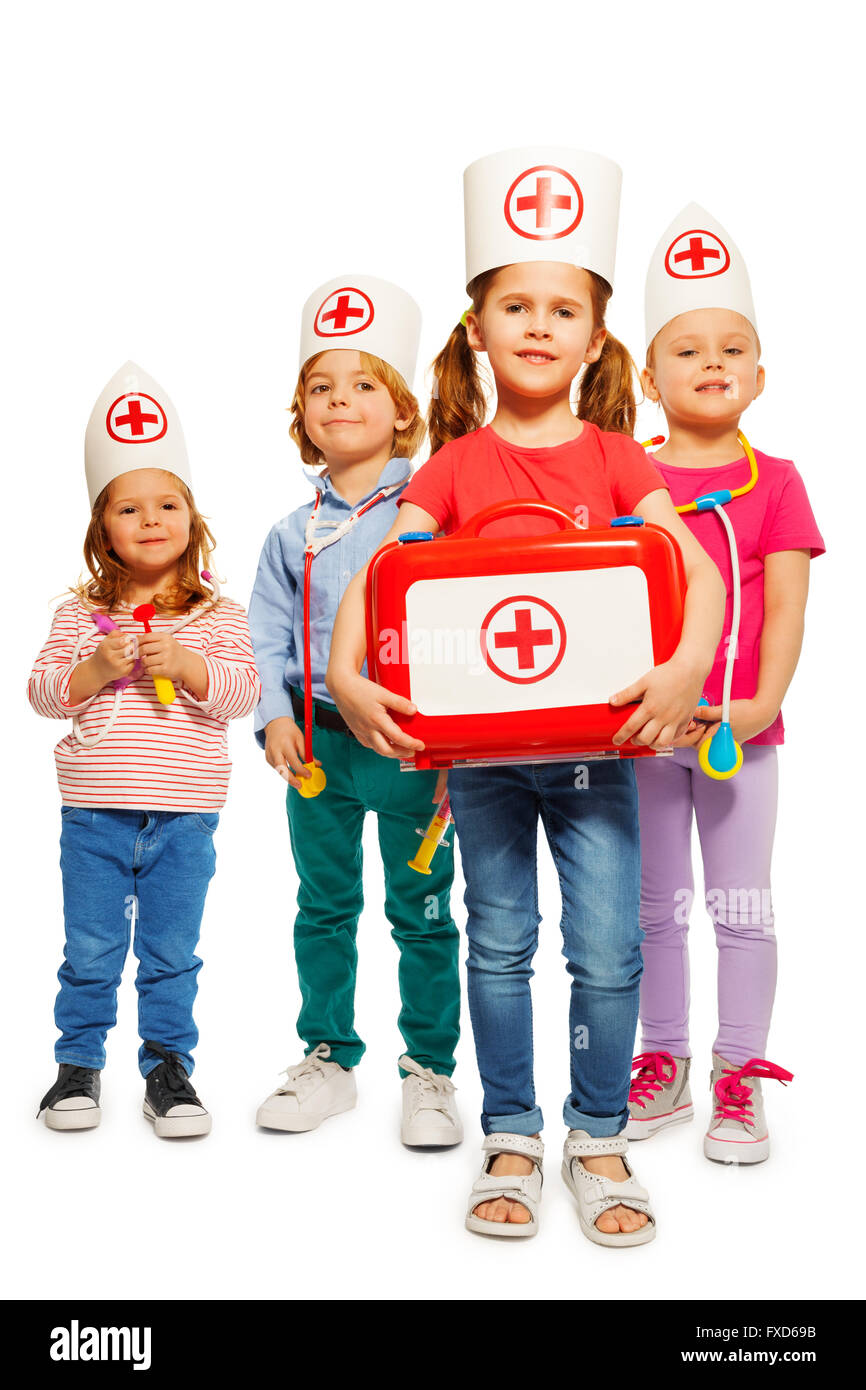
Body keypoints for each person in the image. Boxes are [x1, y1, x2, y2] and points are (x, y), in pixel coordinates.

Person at [326, 149, 725, 1244]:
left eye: (562, 309)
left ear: (595, 339)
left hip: (601, 753)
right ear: (478, 330)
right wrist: (350, 673)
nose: (538, 325)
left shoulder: (610, 457)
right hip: (485, 764)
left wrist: (689, 661)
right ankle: (510, 1128)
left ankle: (593, 1134)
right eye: (514, 304)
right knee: (496, 943)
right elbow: (382, 572)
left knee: (604, 952)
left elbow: (686, 560)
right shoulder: (450, 467)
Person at [625, 205, 825, 1162]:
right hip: (651, 736)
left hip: (744, 731)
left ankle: (738, 1074)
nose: (713, 362)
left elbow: (785, 610)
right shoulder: (630, 481)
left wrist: (755, 709)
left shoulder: (777, 479)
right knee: (653, 907)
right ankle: (660, 1062)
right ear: (648, 377)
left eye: (733, 348)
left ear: (758, 373)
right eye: (688, 348)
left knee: (743, 906)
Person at [249, 276, 462, 1146]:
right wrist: (272, 714)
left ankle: (431, 1071)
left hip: (413, 748)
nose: (341, 399)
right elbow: (263, 631)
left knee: (423, 909)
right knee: (323, 905)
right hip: (316, 748)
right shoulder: (288, 532)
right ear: (302, 414)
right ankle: (330, 1056)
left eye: (365, 383)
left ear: (405, 410)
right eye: (321, 386)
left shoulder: (436, 514)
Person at [29, 362, 261, 1138]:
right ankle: (77, 1066)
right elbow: (40, 694)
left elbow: (241, 693)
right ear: (103, 529)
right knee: (90, 948)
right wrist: (96, 668)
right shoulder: (78, 613)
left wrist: (189, 666)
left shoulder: (217, 616)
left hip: (183, 818)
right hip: (93, 815)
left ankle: (168, 1068)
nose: (152, 519)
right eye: (130, 508)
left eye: (168, 504)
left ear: (193, 518)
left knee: (171, 951)